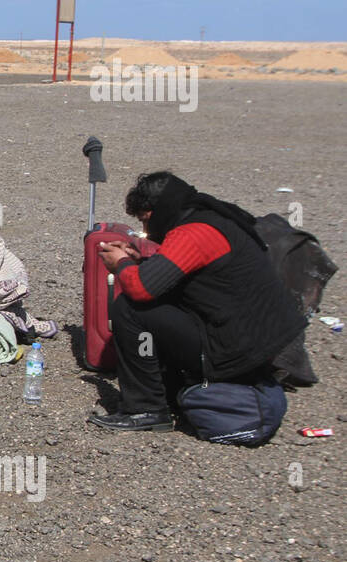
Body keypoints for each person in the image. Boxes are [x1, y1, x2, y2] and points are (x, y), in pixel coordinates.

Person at [88, 172, 305, 432]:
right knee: (158, 301)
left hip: (233, 350)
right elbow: (189, 275)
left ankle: (146, 408)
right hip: (257, 342)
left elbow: (142, 288)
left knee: (130, 308)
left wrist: (121, 264)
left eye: (146, 220)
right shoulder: (213, 219)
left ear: (158, 210)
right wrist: (141, 263)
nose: (146, 230)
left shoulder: (192, 233)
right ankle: (171, 392)